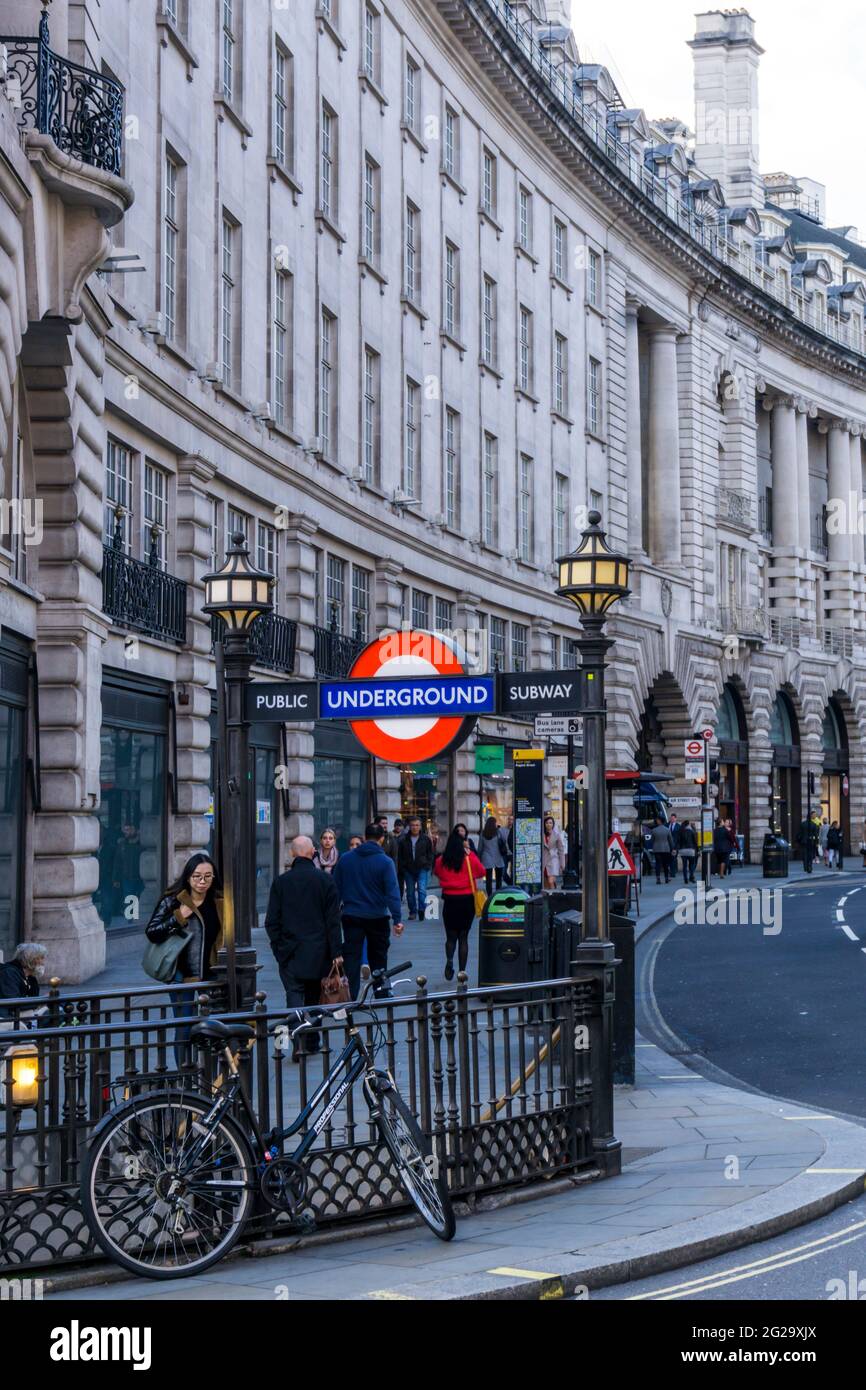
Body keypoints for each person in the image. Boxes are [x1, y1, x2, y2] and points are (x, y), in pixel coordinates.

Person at [265, 836, 344, 1058]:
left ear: (292, 854)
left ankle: (298, 1041)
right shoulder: (325, 881)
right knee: (313, 998)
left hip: (290, 951)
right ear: (313, 853)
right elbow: (333, 921)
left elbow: (271, 921)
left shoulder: (281, 882)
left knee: (294, 996)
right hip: (318, 952)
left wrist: (279, 949)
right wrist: (336, 952)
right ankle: (312, 1040)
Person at [144, 853, 224, 1065]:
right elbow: (152, 931)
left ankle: (210, 1076)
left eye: (208, 876)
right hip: (182, 975)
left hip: (211, 975)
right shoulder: (173, 900)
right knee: (184, 1028)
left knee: (211, 1027)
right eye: (197, 876)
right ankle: (185, 1076)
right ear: (188, 877)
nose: (202, 881)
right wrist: (178, 917)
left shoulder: (218, 901)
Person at [333, 823, 404, 999]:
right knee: (379, 955)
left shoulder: (346, 859)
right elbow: (392, 892)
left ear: (365, 837)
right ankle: (381, 991)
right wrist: (397, 919)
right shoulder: (385, 862)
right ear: (381, 839)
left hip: (351, 915)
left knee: (352, 956)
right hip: (377, 915)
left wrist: (334, 914)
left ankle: (352, 994)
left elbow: (336, 889)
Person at [433, 829, 486, 981]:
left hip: (450, 901)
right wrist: (470, 854)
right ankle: (462, 971)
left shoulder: (441, 860)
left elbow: (437, 872)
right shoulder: (469, 859)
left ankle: (449, 960)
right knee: (464, 937)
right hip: (467, 901)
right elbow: (482, 871)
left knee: (450, 937)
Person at [397, 816, 434, 921]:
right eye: (412, 825)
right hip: (408, 869)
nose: (415, 827)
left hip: (422, 868)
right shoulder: (403, 840)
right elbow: (400, 856)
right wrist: (403, 867)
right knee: (410, 892)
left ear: (420, 826)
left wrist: (428, 866)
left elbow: (430, 854)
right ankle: (412, 912)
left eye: (417, 825)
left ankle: (421, 909)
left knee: (422, 890)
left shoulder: (426, 839)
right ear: (409, 826)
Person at [0, 943, 48, 1020]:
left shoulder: (31, 977)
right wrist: (41, 1001)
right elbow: (13, 1002)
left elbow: (33, 998)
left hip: (22, 1013)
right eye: (41, 958)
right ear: (31, 959)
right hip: (8, 1016)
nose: (43, 962)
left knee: (59, 1005)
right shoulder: (9, 972)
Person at [479, 816, 509, 895]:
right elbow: (505, 840)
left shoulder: (483, 833)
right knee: (498, 879)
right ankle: (497, 894)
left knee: (488, 879)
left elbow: (480, 848)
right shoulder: (498, 832)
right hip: (498, 857)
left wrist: (479, 859)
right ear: (494, 824)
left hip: (486, 858)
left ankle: (489, 895)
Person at [542, 815, 567, 890]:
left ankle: (553, 896)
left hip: (553, 860)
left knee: (550, 881)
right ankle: (549, 896)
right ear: (544, 824)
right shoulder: (541, 834)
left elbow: (561, 849)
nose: (549, 824)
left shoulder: (557, 835)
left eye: (550, 823)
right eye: (547, 823)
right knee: (546, 882)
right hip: (544, 860)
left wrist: (562, 863)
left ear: (553, 824)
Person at [650, 819, 674, 884]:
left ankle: (658, 878)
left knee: (658, 864)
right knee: (665, 864)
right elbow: (670, 840)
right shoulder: (667, 830)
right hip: (666, 849)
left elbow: (652, 840)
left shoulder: (654, 830)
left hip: (657, 849)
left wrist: (652, 846)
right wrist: (672, 848)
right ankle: (666, 878)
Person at [678, 820, 698, 884]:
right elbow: (695, 842)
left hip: (683, 850)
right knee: (692, 864)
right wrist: (697, 849)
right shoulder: (691, 831)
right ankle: (691, 876)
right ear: (688, 825)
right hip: (690, 850)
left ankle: (685, 879)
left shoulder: (681, 832)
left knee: (684, 865)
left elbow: (679, 841)